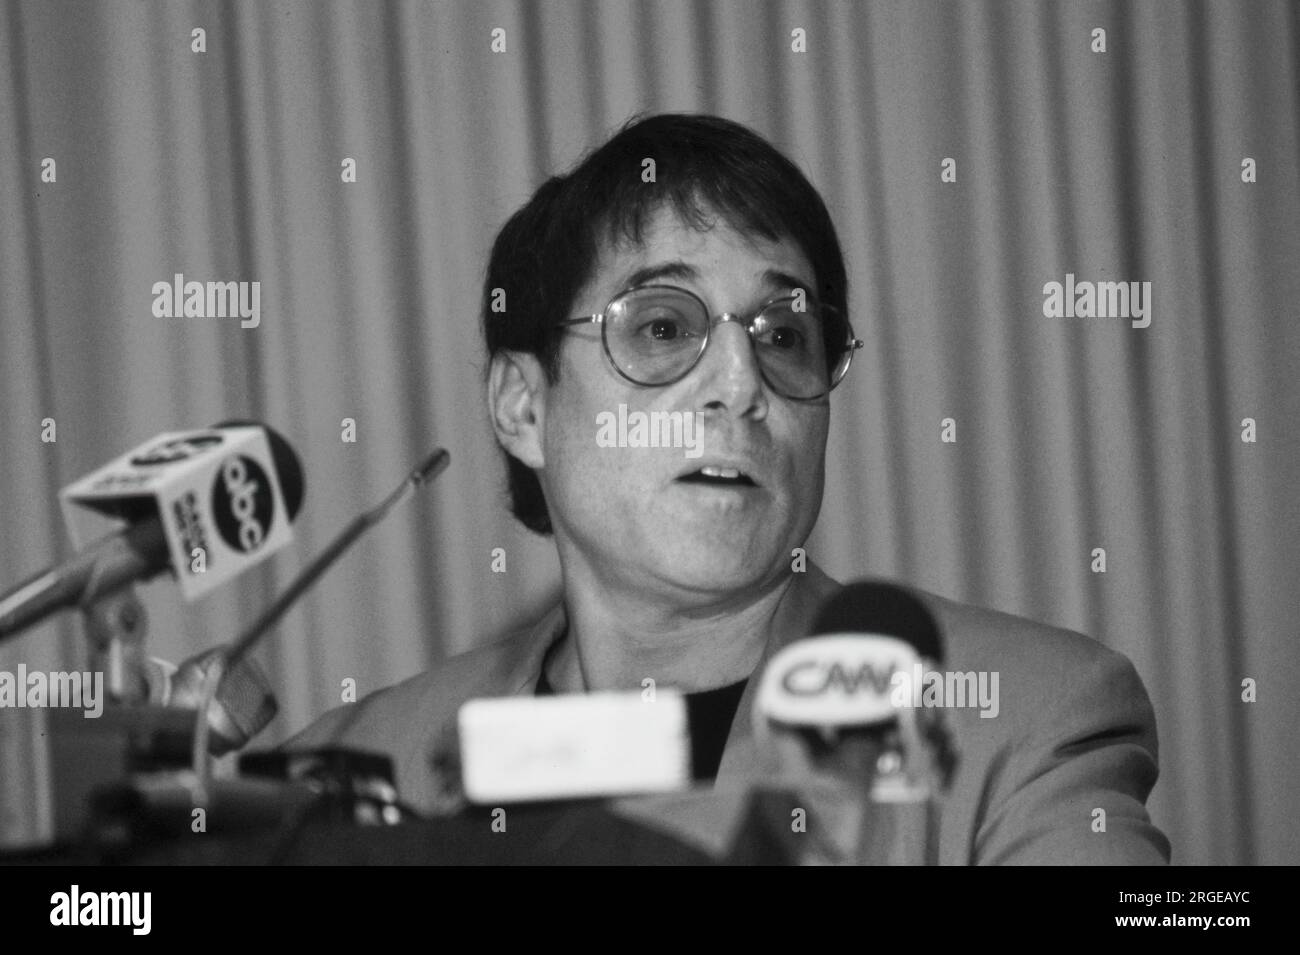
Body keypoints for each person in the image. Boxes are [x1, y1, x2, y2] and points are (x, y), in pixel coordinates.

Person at [287, 113, 1171, 864]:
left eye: (784, 336)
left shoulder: (1025, 721)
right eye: (665, 326)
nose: (739, 384)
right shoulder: (352, 768)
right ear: (523, 407)